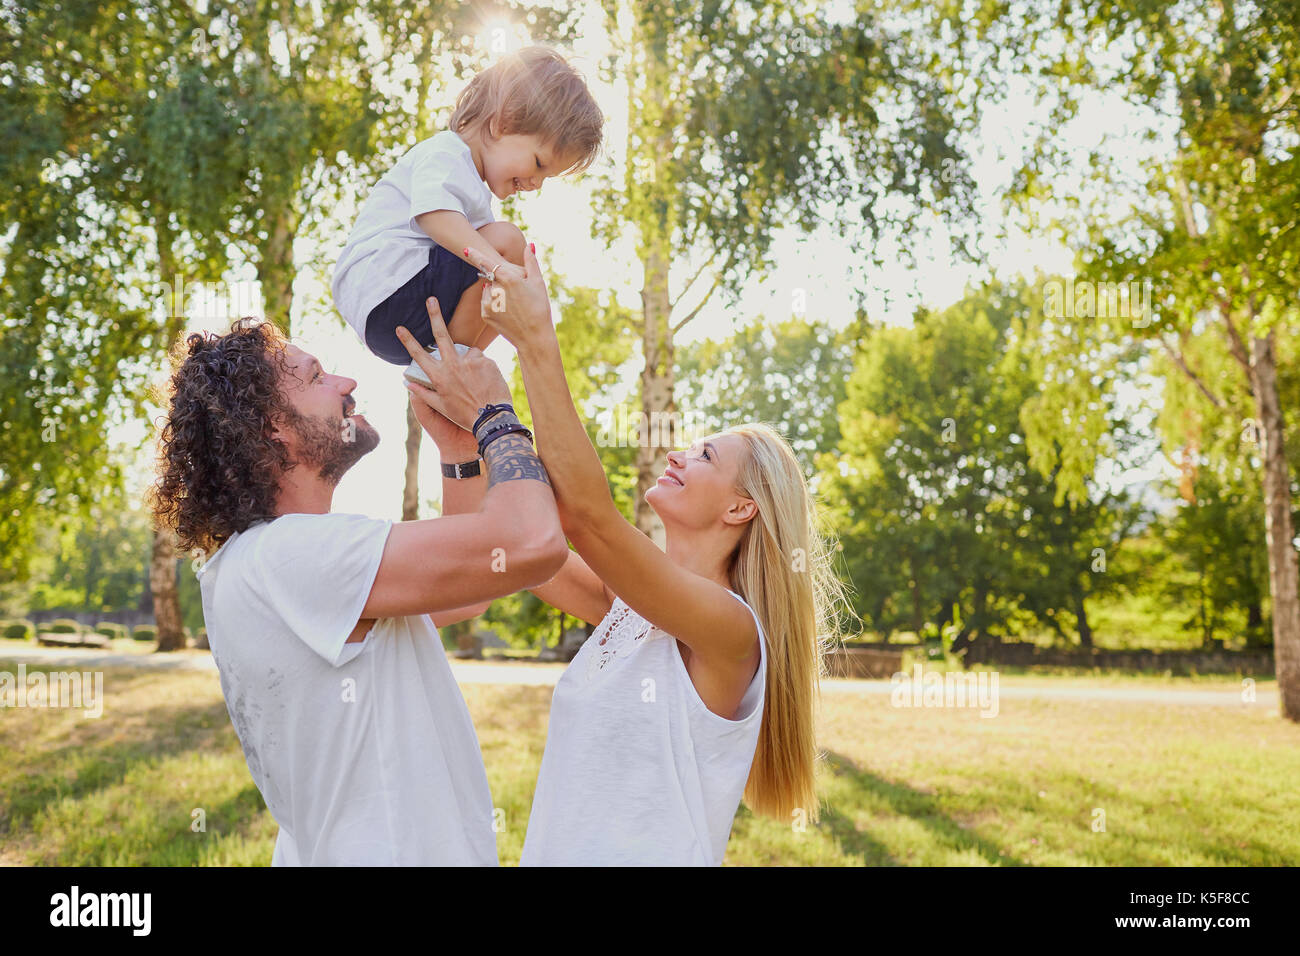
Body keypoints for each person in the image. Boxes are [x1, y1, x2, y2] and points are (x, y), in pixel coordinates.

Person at [399, 248, 848, 866]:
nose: (678, 456)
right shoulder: (621, 608)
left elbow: (589, 520)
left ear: (742, 509)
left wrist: (532, 348)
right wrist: (464, 447)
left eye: (705, 457)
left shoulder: (730, 632)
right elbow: (509, 540)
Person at [147, 299, 567, 865]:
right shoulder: (292, 556)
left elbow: (474, 590)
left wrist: (461, 451)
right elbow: (529, 543)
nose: (347, 382)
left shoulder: (263, 564)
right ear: (273, 428)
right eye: (317, 376)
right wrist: (494, 415)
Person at [331, 46, 603, 371]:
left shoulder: (473, 195)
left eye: (547, 177)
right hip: (385, 286)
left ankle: (452, 366)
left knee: (501, 271)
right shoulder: (447, 152)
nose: (537, 184)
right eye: (539, 163)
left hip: (396, 310)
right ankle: (454, 362)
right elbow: (434, 217)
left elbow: (481, 288)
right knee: (508, 244)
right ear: (503, 122)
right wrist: (499, 268)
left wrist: (507, 299)